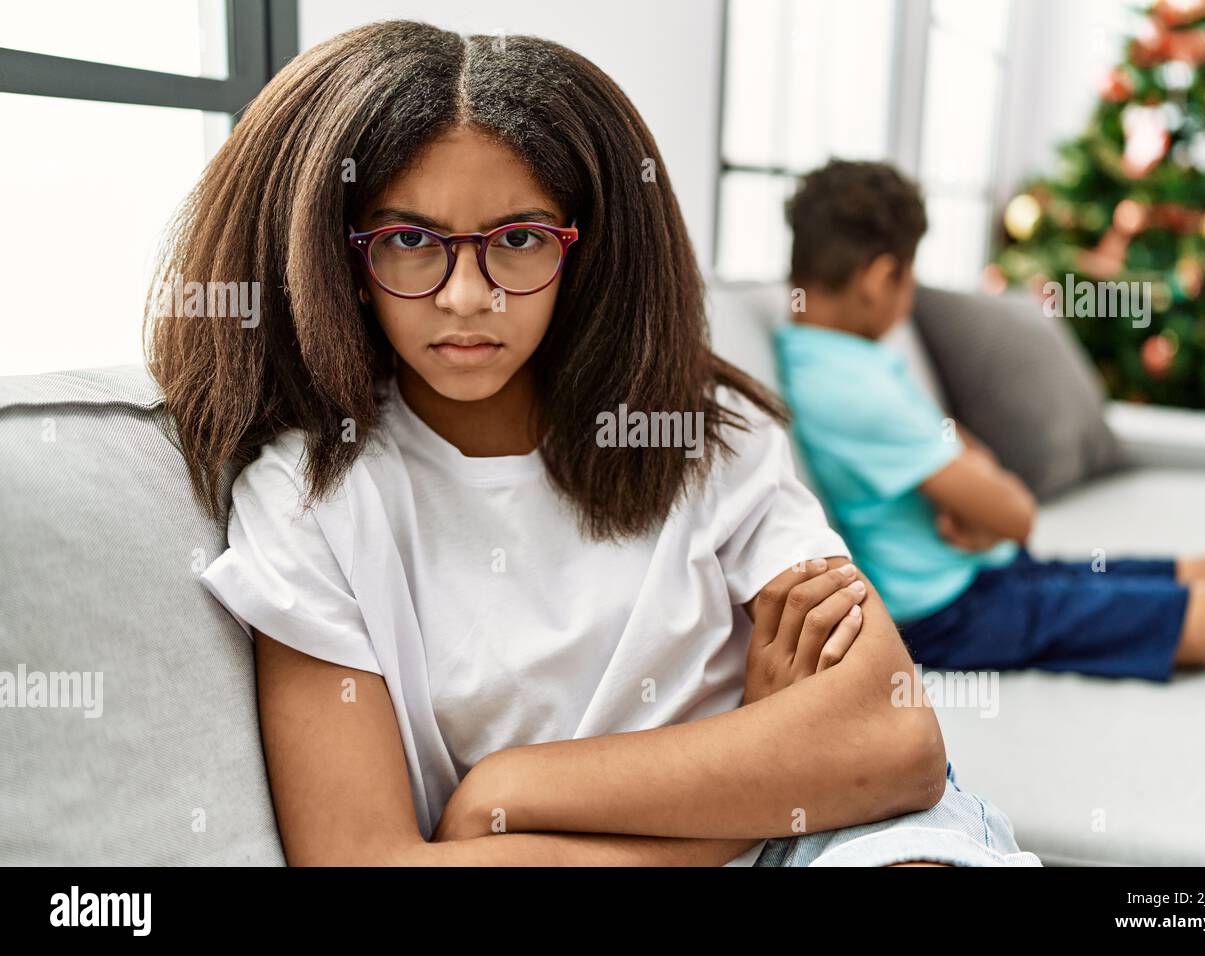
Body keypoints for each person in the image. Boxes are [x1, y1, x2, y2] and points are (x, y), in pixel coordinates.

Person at [148, 22, 1036, 866]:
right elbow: (366, 858)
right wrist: (736, 808)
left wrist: (508, 792)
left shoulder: (699, 428)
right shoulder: (311, 498)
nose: (467, 296)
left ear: (585, 249)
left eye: (521, 240)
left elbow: (895, 740)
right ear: (341, 252)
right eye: (410, 240)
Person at [777, 159, 1205, 692]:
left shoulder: (842, 357)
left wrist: (976, 493)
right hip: (955, 616)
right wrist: (982, 495)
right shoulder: (849, 388)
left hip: (987, 575)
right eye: (908, 277)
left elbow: (966, 461)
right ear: (879, 277)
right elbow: (1018, 515)